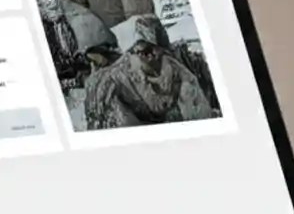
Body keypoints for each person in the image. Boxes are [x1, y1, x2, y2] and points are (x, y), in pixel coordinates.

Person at [83, 15, 214, 130]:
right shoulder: (115, 79)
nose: (148, 55)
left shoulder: (180, 72)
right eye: (142, 52)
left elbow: (198, 115)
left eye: (151, 49)